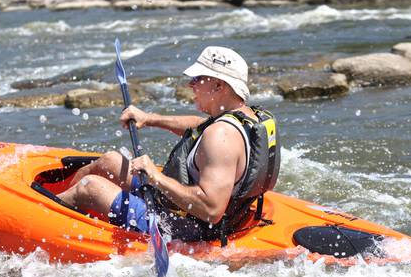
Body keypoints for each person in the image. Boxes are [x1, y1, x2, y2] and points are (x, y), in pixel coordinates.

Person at [58, 46, 280, 243]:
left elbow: (212, 210)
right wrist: (149, 118)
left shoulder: (220, 137)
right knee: (110, 161)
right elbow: (198, 127)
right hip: (218, 217)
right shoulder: (244, 118)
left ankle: (42, 211)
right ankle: (58, 196)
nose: (191, 84)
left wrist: (156, 177)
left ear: (218, 85)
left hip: (188, 228)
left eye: (198, 79)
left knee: (90, 187)